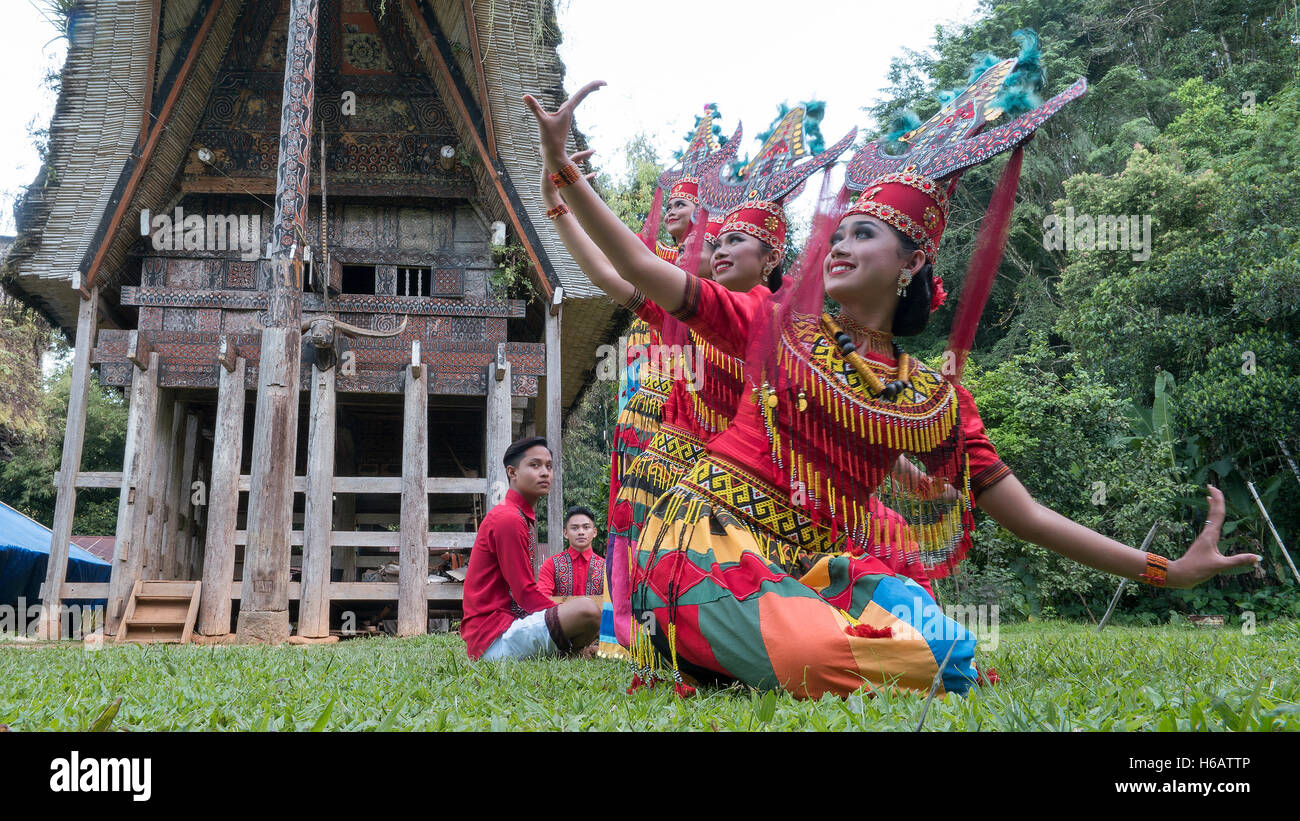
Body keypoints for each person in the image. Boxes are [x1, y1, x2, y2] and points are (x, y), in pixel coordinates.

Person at [523, 49, 1260, 699]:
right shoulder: (777, 327)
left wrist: (1164, 570)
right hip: (698, 546)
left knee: (951, 652)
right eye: (837, 232)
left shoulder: (933, 400)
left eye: (863, 234)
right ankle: (736, 642)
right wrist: (563, 173)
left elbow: (1028, 517)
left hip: (799, 566)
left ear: (912, 263)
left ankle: (752, 649)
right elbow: (646, 271)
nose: (839, 245)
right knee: (828, 651)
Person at [460, 437, 600, 661]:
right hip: (495, 637)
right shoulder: (508, 518)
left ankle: (574, 652)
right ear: (512, 472)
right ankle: (575, 652)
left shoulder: (518, 516)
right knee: (588, 611)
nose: (545, 472)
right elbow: (524, 593)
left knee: (585, 610)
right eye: (535, 465)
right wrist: (565, 613)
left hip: (506, 628)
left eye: (549, 466)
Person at [537, 506, 606, 598]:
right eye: (575, 528)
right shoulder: (551, 565)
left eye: (586, 527)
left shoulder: (605, 567)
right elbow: (542, 598)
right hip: (559, 613)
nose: (581, 532)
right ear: (565, 533)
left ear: (594, 532)